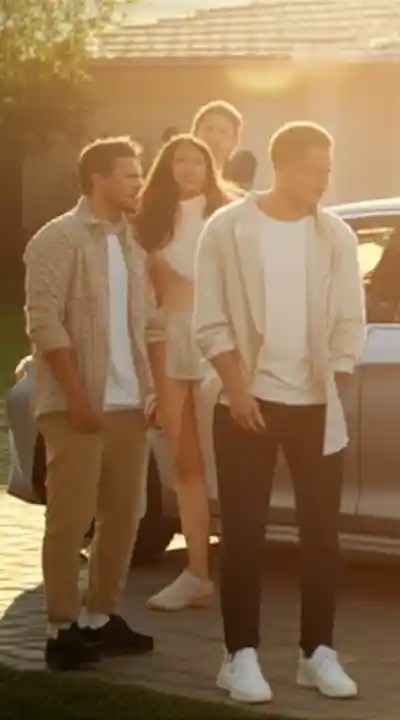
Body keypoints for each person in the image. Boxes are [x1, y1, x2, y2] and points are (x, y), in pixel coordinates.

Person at [193, 121, 365, 704]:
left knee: (322, 537)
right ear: (283, 167)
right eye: (315, 171)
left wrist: (332, 383)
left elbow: (349, 323)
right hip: (246, 404)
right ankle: (238, 656)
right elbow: (209, 320)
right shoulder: (228, 229)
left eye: (328, 172)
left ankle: (317, 653)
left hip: (317, 405)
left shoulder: (336, 236)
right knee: (243, 533)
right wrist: (238, 390)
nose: (324, 182)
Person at [23, 137, 166, 670]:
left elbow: (148, 322)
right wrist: (78, 398)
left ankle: (100, 616)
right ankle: (62, 627)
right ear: (98, 180)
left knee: (126, 515)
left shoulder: (131, 246)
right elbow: (43, 322)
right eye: (129, 175)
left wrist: (158, 391)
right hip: (76, 405)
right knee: (70, 518)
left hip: (130, 405)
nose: (138, 184)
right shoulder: (56, 239)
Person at [133, 134, 235, 611]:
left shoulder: (229, 216)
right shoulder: (150, 223)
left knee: (228, 458)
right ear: (167, 168)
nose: (188, 168)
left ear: (209, 166)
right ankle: (196, 572)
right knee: (185, 462)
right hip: (170, 342)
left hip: (220, 343)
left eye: (197, 160)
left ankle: (237, 566)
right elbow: (148, 297)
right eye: (179, 160)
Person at [191, 100, 243, 179]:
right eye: (209, 129)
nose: (214, 137)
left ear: (234, 143)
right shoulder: (170, 186)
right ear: (194, 134)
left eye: (223, 132)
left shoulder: (230, 191)